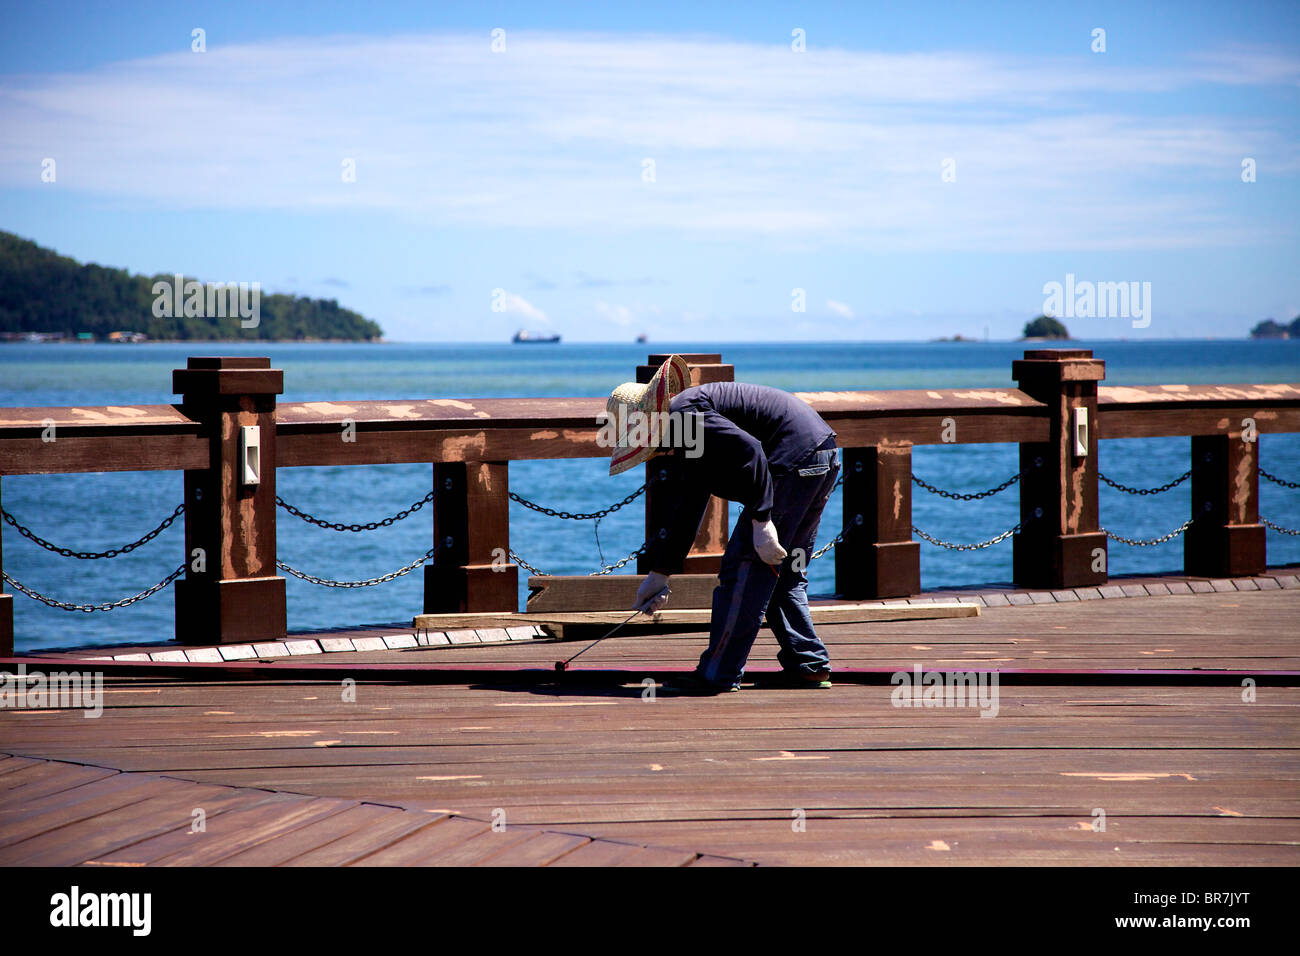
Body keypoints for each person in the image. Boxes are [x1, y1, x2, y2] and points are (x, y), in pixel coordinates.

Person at [606, 355, 840, 694]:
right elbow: (690, 503)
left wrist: (762, 522)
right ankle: (807, 664)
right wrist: (660, 575)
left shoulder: (685, 417)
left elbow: (752, 450)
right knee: (783, 570)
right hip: (822, 452)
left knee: (742, 569)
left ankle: (717, 673)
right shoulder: (684, 428)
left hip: (793, 458)